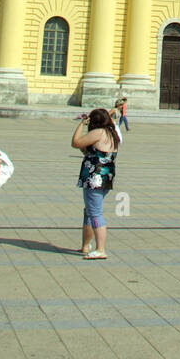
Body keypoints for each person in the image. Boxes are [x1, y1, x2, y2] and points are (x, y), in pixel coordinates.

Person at [72, 108, 119, 260]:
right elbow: (87, 151)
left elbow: (75, 142)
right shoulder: (112, 133)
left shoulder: (98, 132)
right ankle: (86, 246)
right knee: (90, 211)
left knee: (96, 213)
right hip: (104, 178)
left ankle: (100, 249)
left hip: (95, 179)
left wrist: (81, 125)